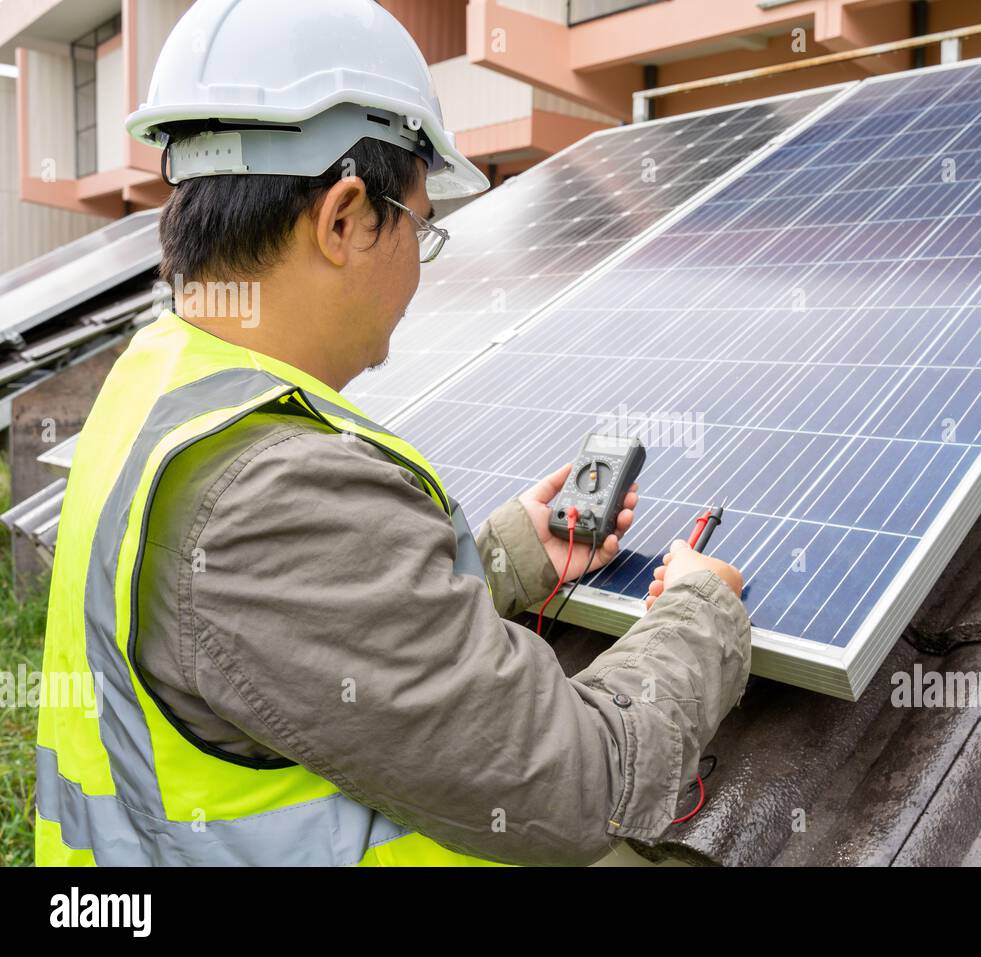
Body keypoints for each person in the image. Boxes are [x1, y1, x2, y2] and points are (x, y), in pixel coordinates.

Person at [35, 0, 750, 867]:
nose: (420, 263)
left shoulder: (160, 380)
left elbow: (292, 636)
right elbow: (578, 786)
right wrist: (697, 613)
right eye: (420, 226)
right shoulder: (273, 487)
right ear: (344, 219)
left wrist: (503, 559)